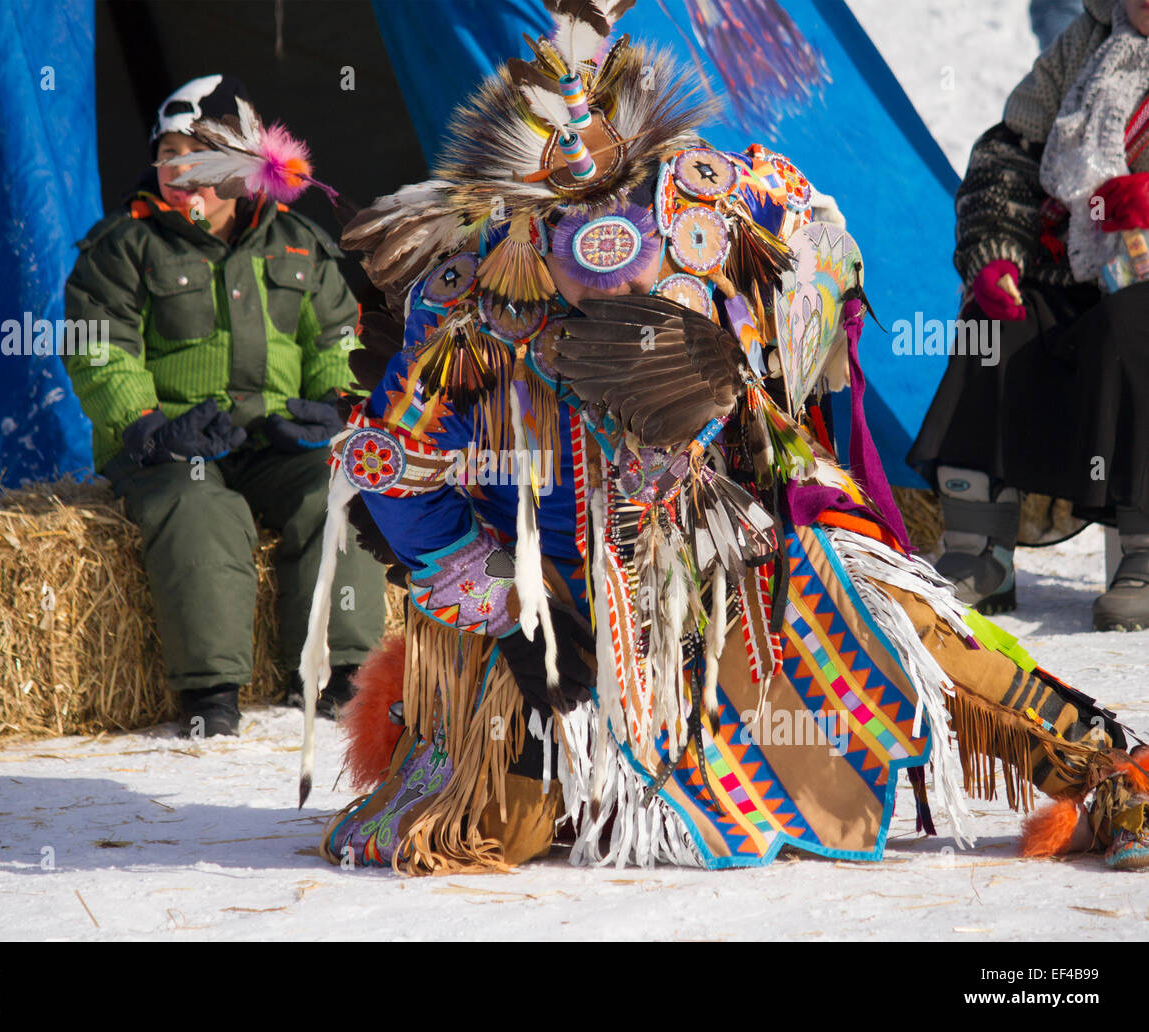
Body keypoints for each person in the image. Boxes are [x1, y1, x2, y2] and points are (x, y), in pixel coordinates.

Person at [171, 3, 1148, 873]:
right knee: (488, 831)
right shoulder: (469, 302)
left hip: (714, 557)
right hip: (542, 599)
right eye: (559, 191)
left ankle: (1108, 763)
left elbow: (828, 269)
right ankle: (536, 740)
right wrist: (503, 605)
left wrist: (772, 345)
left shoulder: (712, 217)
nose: (592, 215)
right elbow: (391, 466)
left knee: (891, 618)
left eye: (609, 189)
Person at [63, 74, 384, 737]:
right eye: (170, 155)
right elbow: (100, 348)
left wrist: (334, 408)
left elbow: (338, 339)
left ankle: (338, 675)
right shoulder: (122, 246)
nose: (183, 173)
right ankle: (210, 692)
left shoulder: (300, 243)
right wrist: (146, 423)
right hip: (169, 446)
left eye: (202, 158)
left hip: (277, 442)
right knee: (201, 508)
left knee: (340, 490)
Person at [909, 0, 1149, 631]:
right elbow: (1007, 157)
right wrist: (995, 252)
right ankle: (980, 549)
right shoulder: (1084, 45)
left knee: (1135, 327)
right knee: (996, 330)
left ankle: (1144, 552)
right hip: (1074, 270)